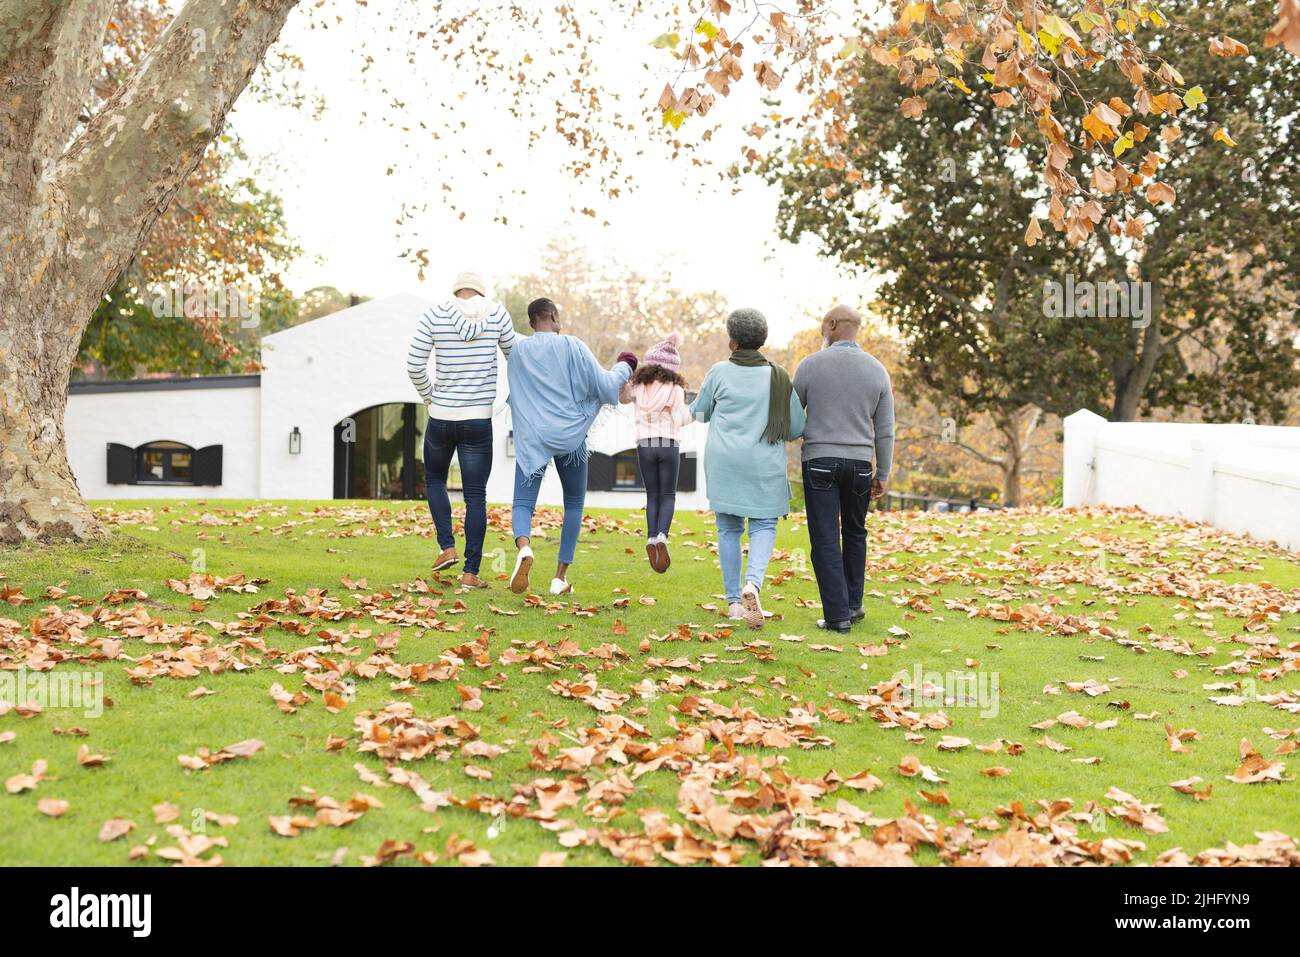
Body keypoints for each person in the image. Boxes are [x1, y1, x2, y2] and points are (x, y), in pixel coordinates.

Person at [507, 297, 637, 596]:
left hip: (534, 438)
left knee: (523, 503)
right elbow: (605, 386)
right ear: (553, 316)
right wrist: (624, 365)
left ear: (530, 323)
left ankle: (524, 549)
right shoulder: (572, 345)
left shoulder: (518, 351)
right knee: (574, 504)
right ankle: (559, 578)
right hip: (570, 436)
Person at [690, 308, 805, 629]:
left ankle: (733, 604)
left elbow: (700, 414)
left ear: (732, 341)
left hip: (724, 462)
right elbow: (796, 428)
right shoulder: (778, 376)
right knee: (764, 526)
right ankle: (752, 585)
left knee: (728, 529)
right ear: (762, 339)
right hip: (764, 464)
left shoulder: (718, 372)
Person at [406, 270, 516, 588]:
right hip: (478, 420)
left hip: (441, 417)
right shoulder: (497, 314)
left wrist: (430, 397)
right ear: (482, 292)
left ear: (456, 291)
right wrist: (511, 398)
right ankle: (471, 574)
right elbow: (515, 358)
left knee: (435, 479)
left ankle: (446, 546)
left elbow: (414, 365)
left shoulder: (435, 314)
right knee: (475, 496)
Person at [792, 304, 894, 633]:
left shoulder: (809, 365)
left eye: (824, 326)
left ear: (833, 325)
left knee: (824, 538)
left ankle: (837, 617)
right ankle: (853, 604)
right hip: (861, 465)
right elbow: (886, 429)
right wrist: (883, 473)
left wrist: (801, 433)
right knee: (855, 532)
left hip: (820, 460)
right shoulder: (878, 370)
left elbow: (792, 419)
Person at [619, 332, 693, 573]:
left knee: (652, 495)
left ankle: (651, 538)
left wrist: (624, 376)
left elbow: (622, 398)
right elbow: (680, 419)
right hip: (669, 444)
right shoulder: (675, 390)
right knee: (668, 494)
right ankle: (663, 535)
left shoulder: (639, 386)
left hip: (645, 445)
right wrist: (696, 415)